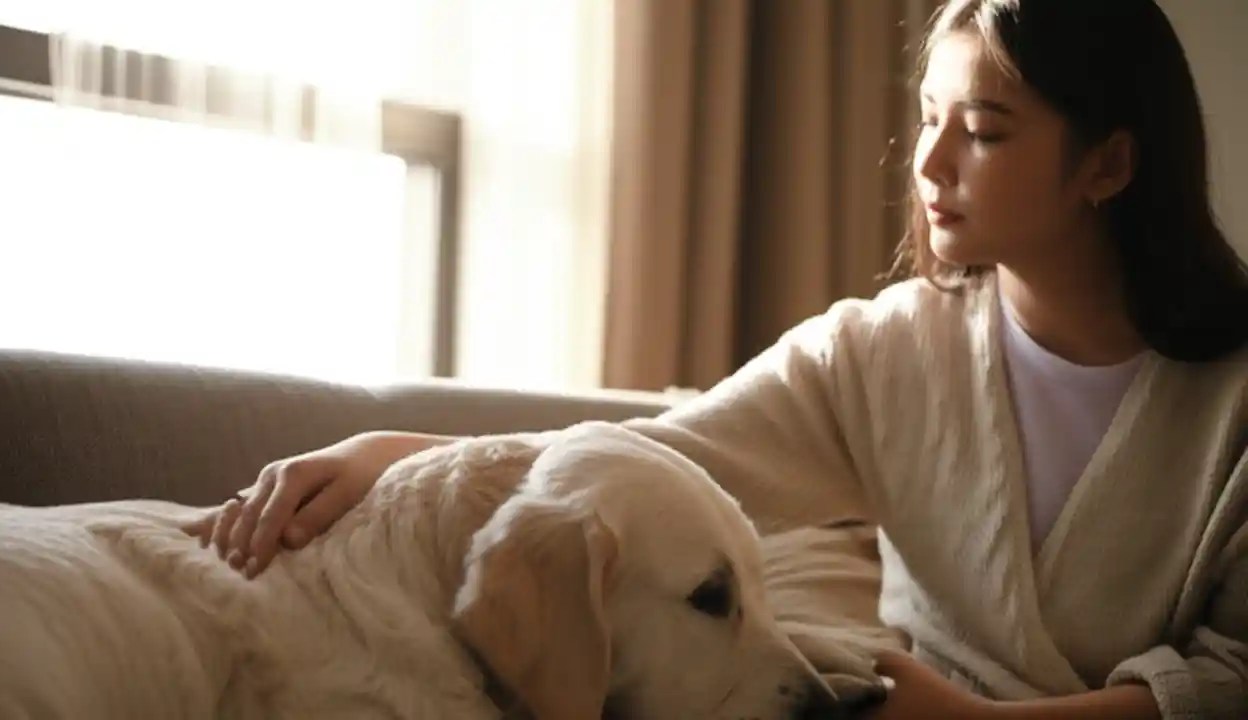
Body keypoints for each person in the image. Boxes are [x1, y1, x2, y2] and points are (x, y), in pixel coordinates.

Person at [186, 1, 1248, 717]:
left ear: (1106, 161)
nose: (927, 164)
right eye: (926, 119)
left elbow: (1230, 675)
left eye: (981, 128)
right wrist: (390, 451)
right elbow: (646, 464)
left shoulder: (1229, 401)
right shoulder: (877, 352)